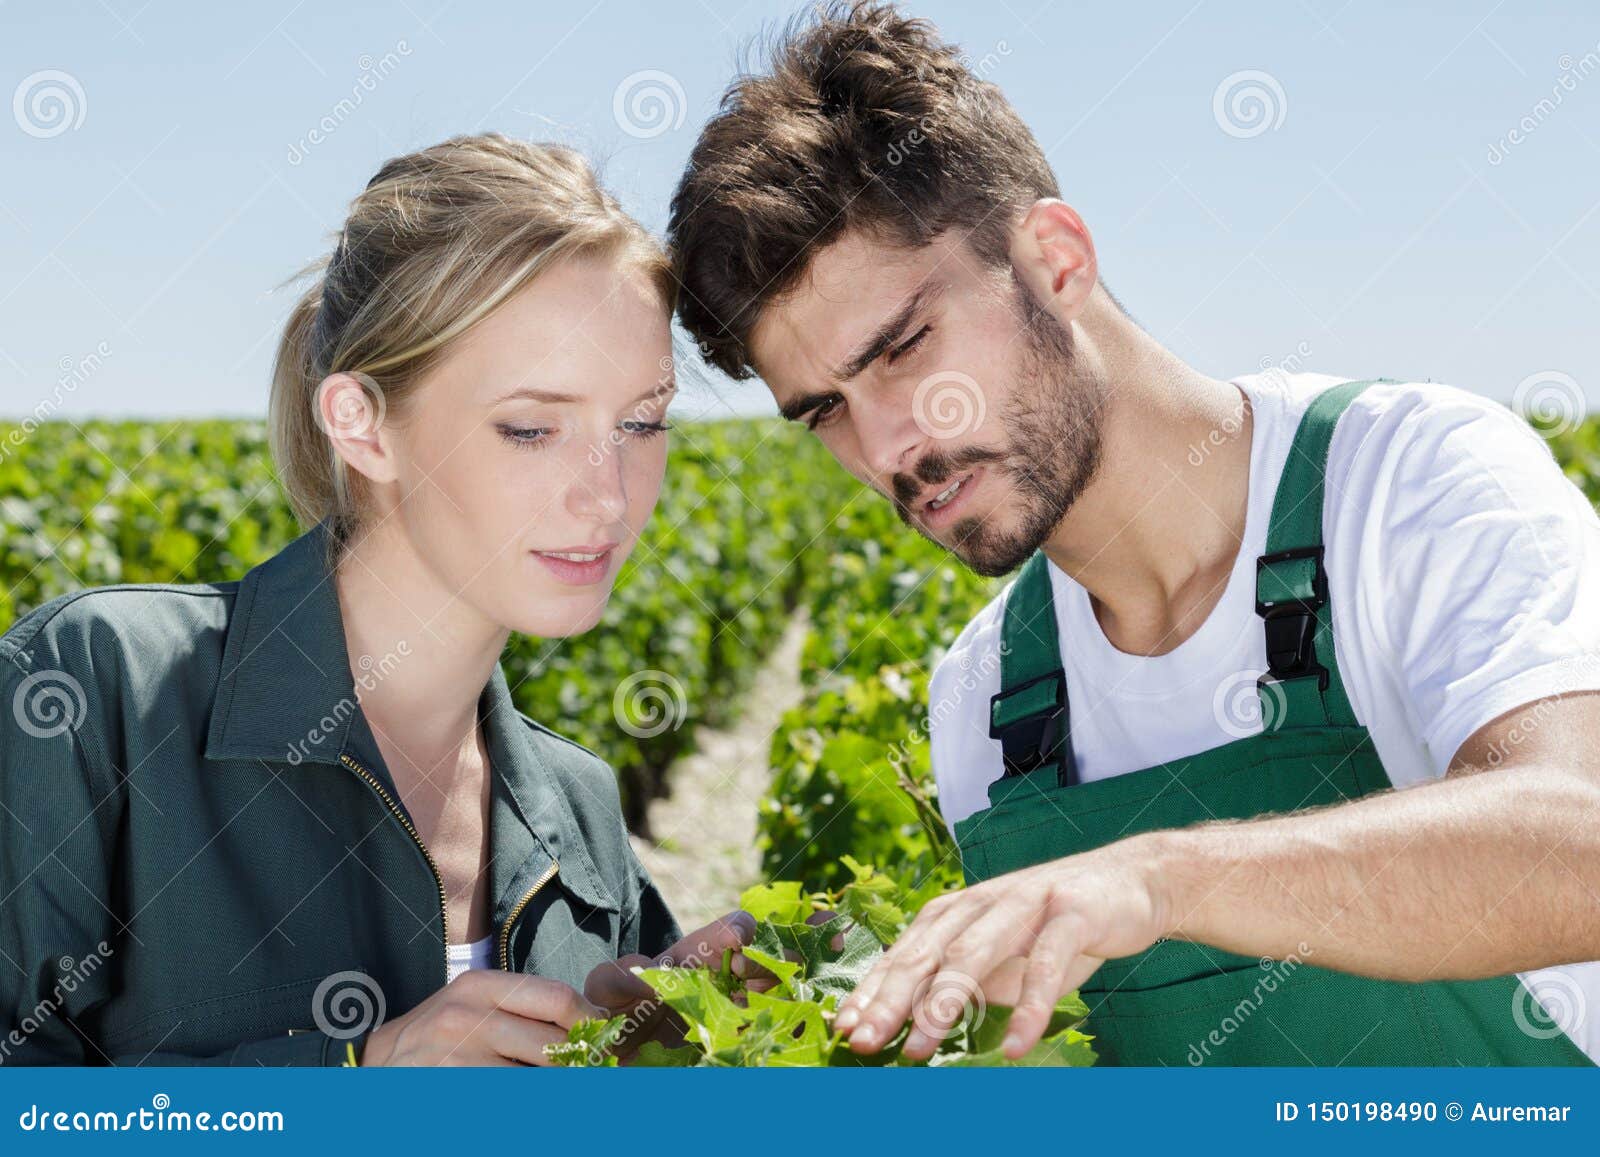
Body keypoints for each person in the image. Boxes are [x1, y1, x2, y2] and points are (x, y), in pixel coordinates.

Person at [666, 1, 1600, 1066]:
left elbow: (1577, 842)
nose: (886, 446)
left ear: (1055, 259)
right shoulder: (989, 696)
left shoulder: (1405, 479)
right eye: (822, 407)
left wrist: (1160, 879)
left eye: (903, 347)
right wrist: (825, 985)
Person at [0, 133, 753, 1066]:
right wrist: (355, 1084)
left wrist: (653, 1053)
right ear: (361, 425)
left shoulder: (582, 803)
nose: (610, 494)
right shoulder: (96, 689)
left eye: (642, 422)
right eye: (530, 428)